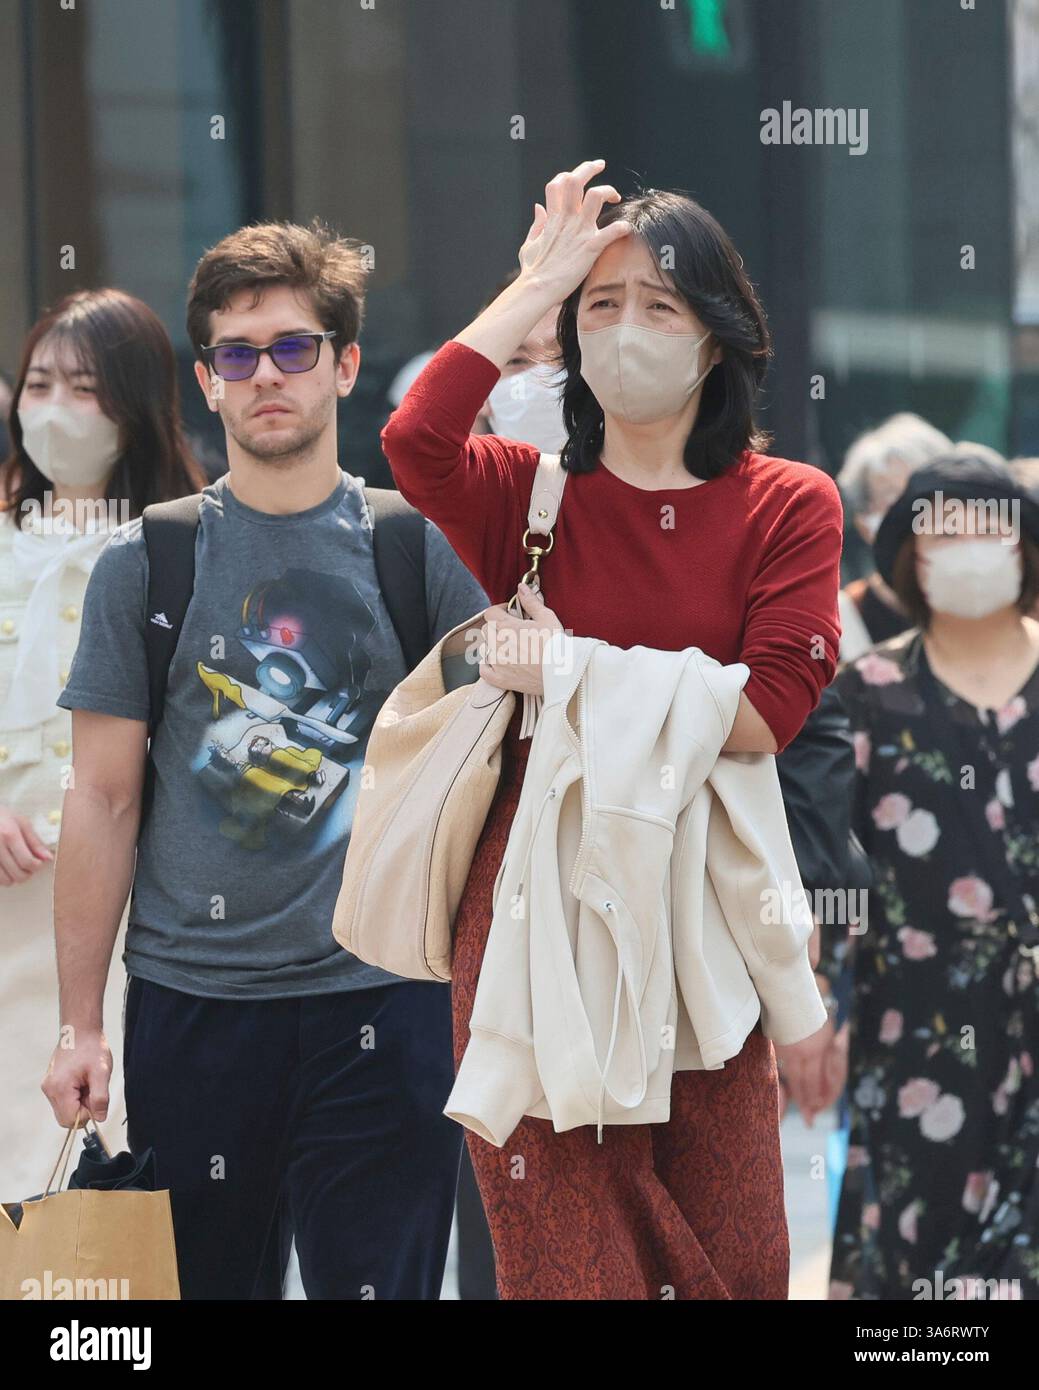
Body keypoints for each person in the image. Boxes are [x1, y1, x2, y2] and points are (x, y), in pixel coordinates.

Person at [382, 160, 844, 1299]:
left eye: (660, 304)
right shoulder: (525, 492)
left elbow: (763, 715)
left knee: (731, 1254)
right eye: (603, 304)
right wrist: (535, 284)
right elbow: (413, 441)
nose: (626, 327)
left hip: (704, 903)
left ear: (717, 334)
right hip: (534, 895)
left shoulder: (789, 502)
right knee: (565, 1251)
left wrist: (571, 669)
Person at [42, 218, 488, 1299]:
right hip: (196, 1009)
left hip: (384, 1001)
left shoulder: (416, 547)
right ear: (205, 381)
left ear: (342, 364)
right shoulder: (147, 561)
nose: (265, 375)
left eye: (293, 346)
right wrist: (81, 1022)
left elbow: (494, 770)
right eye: (236, 355)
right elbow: (100, 802)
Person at [0, 288, 202, 1203]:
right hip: (7, 898)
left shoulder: (186, 550)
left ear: (134, 405)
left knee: (100, 1170)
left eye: (82, 388)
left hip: (125, 912)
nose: (51, 409)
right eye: (37, 382)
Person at [828, 446, 1039, 1299]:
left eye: (987, 525)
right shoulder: (865, 693)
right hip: (913, 1033)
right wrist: (818, 1010)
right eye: (939, 529)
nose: (966, 545)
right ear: (908, 556)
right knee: (919, 1267)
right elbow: (829, 866)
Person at [836, 413, 952, 661]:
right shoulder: (838, 621)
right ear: (864, 522)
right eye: (891, 498)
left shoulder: (981, 611)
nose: (911, 512)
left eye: (925, 497)